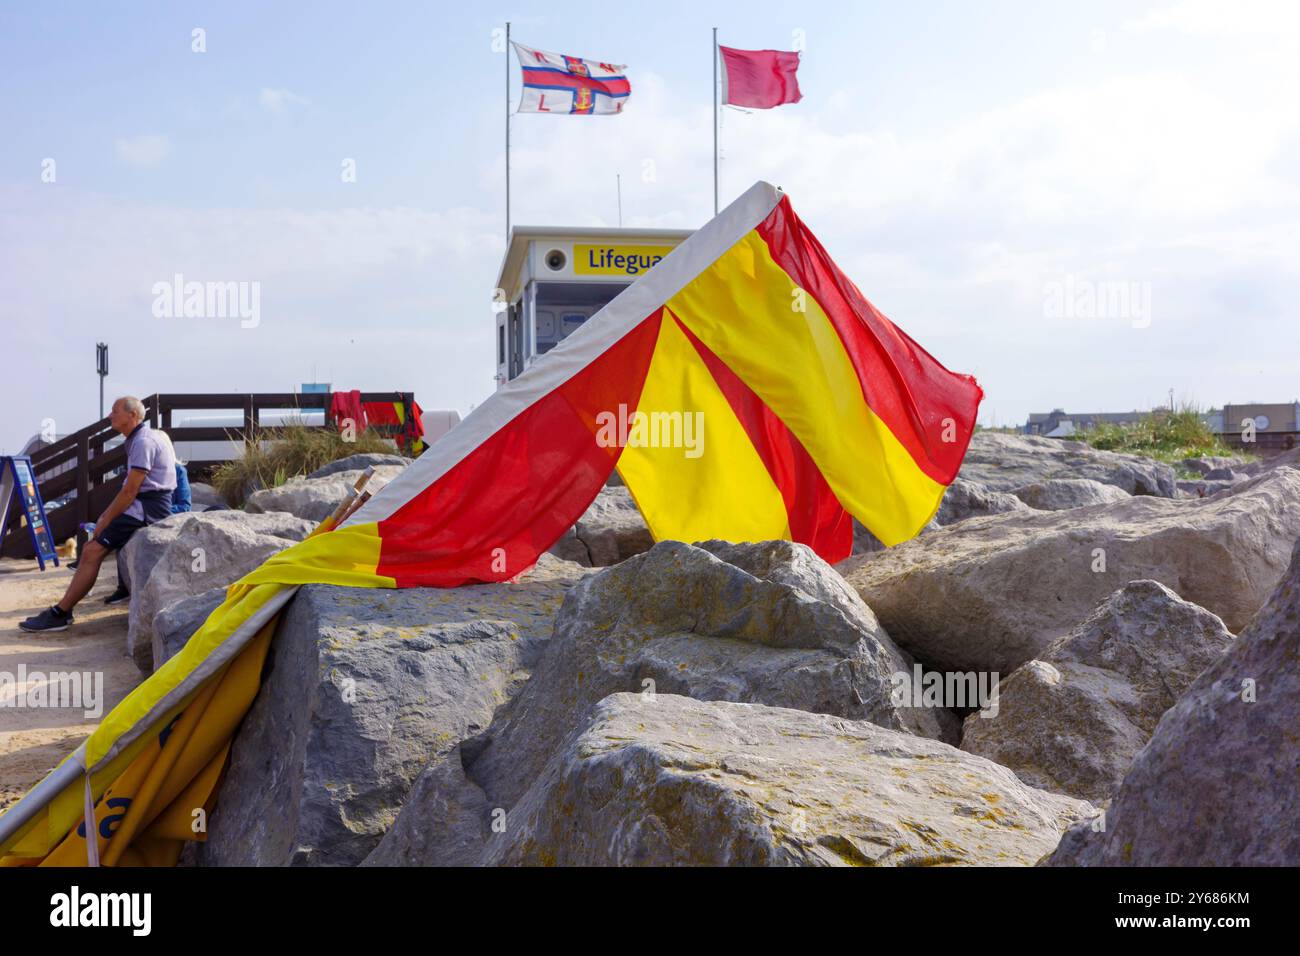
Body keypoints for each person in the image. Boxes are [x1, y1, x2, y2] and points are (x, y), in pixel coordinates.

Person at [20, 396, 175, 632]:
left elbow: (130, 491)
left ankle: (61, 613)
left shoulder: (143, 441)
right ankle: (63, 610)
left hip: (147, 508)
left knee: (92, 551)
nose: (110, 416)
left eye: (115, 411)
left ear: (132, 416)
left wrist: (105, 518)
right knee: (93, 549)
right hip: (149, 505)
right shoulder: (144, 437)